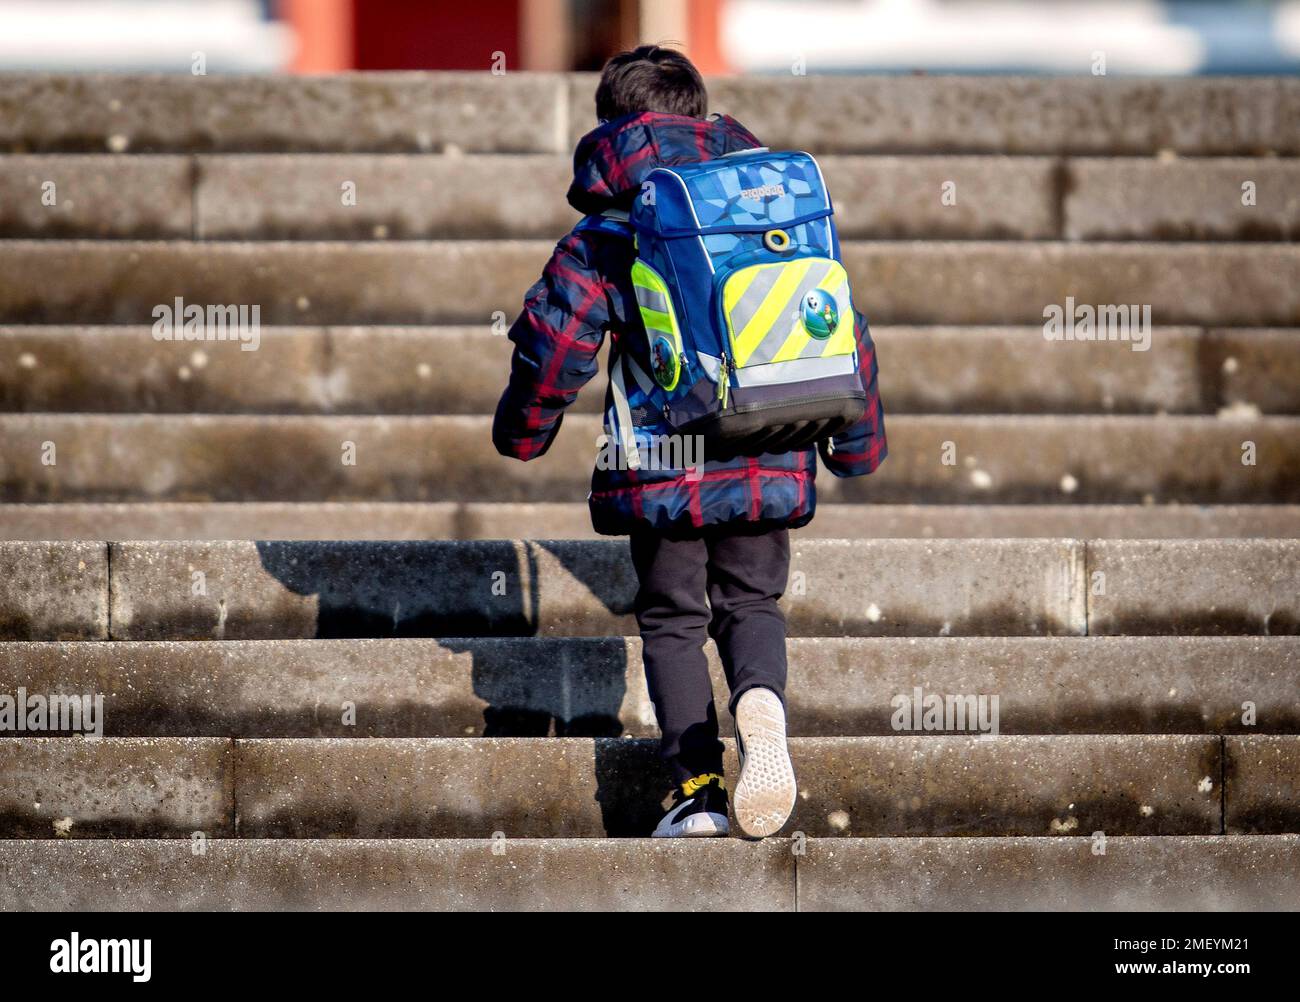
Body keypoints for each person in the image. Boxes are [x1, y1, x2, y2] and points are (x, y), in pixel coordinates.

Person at [492, 45, 886, 838]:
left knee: (674, 618)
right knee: (751, 601)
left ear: (613, 125)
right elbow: (843, 327)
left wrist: (524, 431)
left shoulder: (608, 230)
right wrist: (856, 445)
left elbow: (556, 342)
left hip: (660, 461)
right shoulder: (771, 211)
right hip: (771, 439)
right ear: (702, 116)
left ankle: (697, 794)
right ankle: (761, 707)